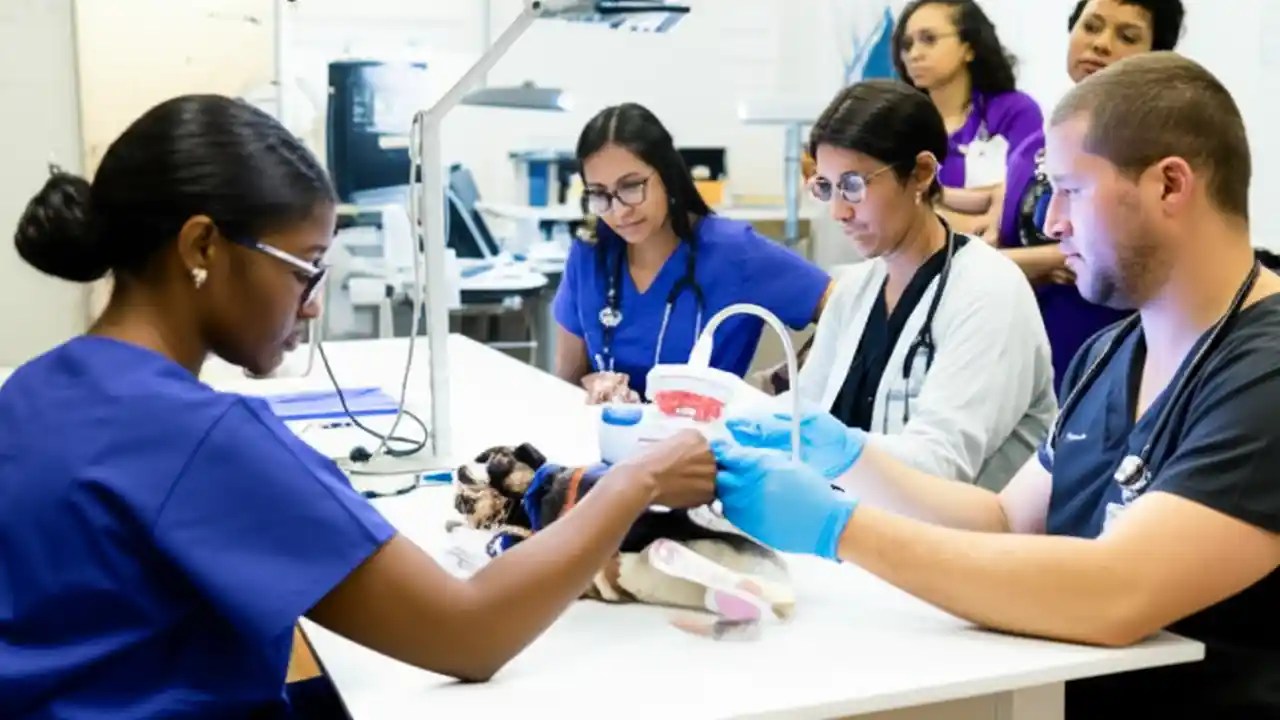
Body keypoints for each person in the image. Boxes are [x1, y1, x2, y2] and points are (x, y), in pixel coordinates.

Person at [0, 94, 717, 719]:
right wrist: (637, 481)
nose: (312, 303)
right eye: (303, 266)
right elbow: (471, 635)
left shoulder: (32, 388)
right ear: (202, 247)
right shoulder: (200, 442)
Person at [714, 53, 1279, 719]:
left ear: (1169, 185)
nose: (1050, 224)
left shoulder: (1262, 369)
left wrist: (841, 528)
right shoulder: (1112, 351)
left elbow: (1117, 594)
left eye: (1070, 189)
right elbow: (1006, 520)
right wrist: (847, 456)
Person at [791, 79, 1055, 491]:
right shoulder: (855, 290)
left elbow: (938, 465)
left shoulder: (990, 293)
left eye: (854, 186)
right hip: (854, 534)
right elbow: (801, 412)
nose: (839, 211)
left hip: (956, 545)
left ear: (921, 173)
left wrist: (822, 443)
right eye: (826, 187)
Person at [553, 103, 832, 403]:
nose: (619, 210)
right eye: (599, 194)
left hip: (703, 444)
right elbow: (565, 385)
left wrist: (788, 386)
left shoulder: (735, 253)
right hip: (607, 441)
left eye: (632, 186)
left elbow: (844, 306)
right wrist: (591, 385)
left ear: (666, 174)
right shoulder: (589, 256)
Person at [999, 0, 1186, 394]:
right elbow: (1000, 245)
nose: (1101, 44)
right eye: (1091, 26)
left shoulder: (1157, 149)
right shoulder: (1034, 145)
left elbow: (1121, 254)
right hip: (1018, 354)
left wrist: (1027, 261)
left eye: (1127, 36)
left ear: (1156, 57)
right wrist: (1046, 260)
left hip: (1111, 356)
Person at [893, 0, 1044, 243]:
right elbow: (895, 212)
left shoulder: (1016, 111)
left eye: (929, 39)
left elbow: (1023, 201)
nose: (914, 54)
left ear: (969, 47)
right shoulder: (898, 122)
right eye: (907, 45)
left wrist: (933, 204)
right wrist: (979, 216)